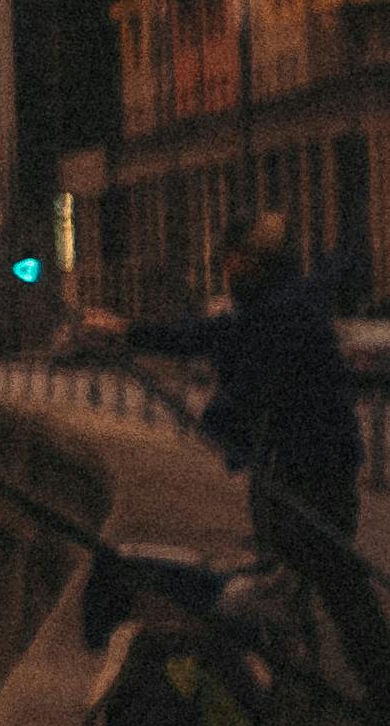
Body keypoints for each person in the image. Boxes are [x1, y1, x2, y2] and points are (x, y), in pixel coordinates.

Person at [129, 216, 365, 555]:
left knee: (322, 564)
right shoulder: (283, 303)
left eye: (231, 260)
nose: (226, 270)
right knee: (302, 560)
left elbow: (251, 378)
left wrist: (217, 420)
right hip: (303, 459)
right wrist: (125, 330)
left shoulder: (278, 312)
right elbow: (207, 336)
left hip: (306, 465)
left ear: (255, 261)